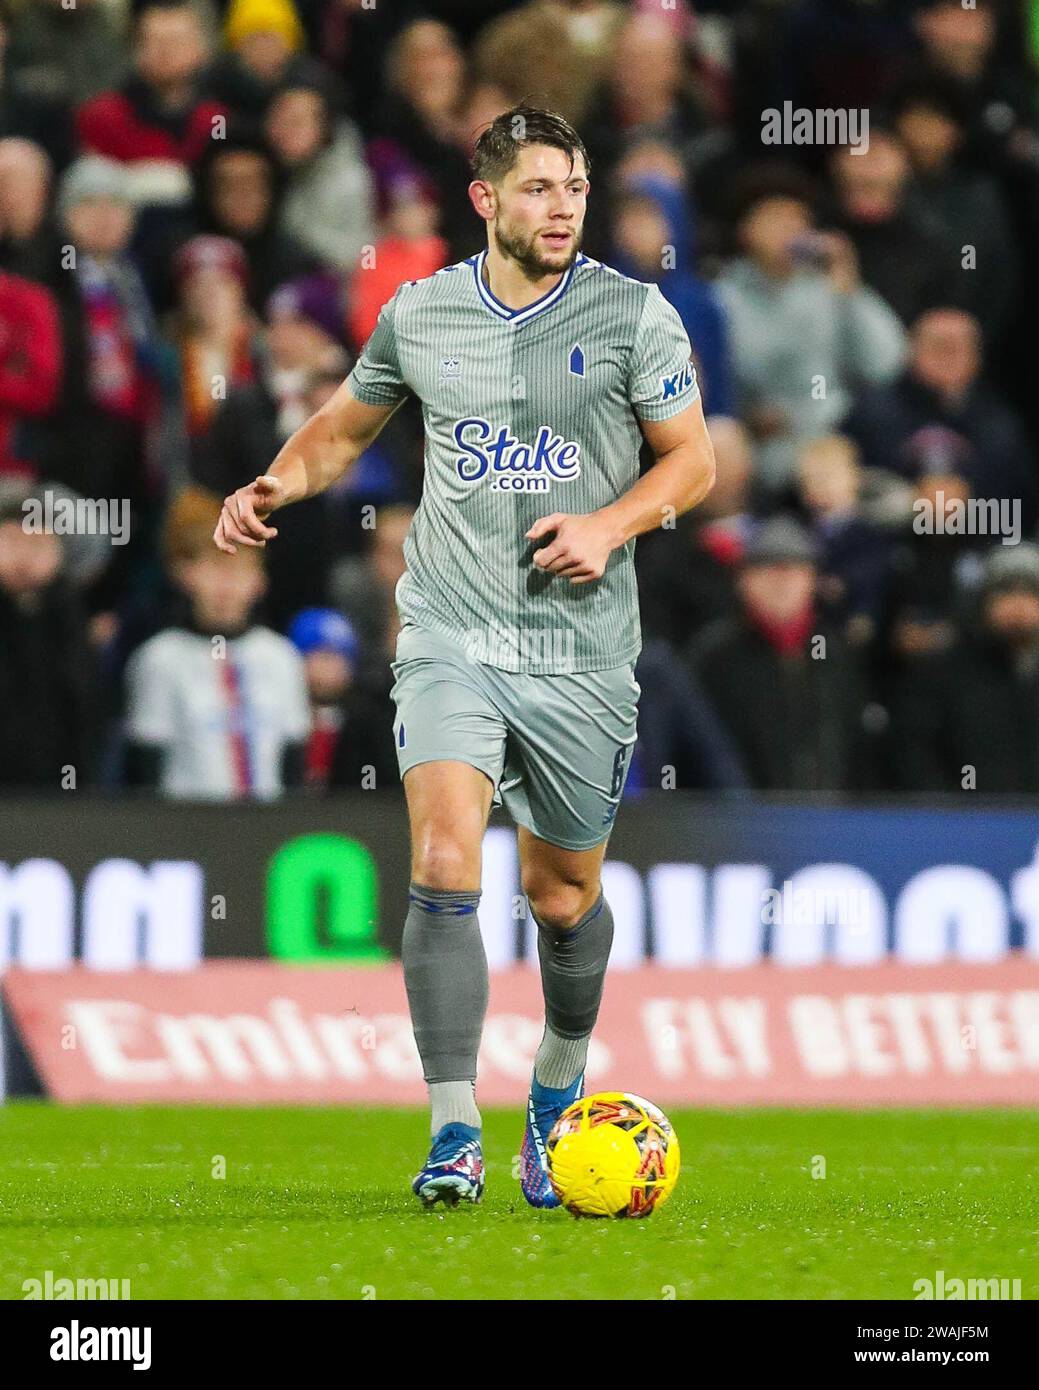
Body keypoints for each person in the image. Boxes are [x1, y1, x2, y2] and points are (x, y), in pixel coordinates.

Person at [213, 104, 715, 1207]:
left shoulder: (635, 316)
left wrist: (607, 526)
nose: (562, 208)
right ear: (485, 200)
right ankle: (452, 1133)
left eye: (574, 188)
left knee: (561, 894)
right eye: (538, 188)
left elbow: (692, 464)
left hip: (580, 652)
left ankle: (553, 1085)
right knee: (445, 857)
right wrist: (275, 484)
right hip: (449, 629)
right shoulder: (423, 312)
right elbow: (346, 425)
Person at [125, 487, 310, 799]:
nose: (226, 584)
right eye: (214, 567)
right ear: (185, 574)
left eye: (239, 570)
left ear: (259, 581)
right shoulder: (160, 658)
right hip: (184, 832)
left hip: (269, 828)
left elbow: (293, 762)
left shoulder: (281, 657)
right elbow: (146, 765)